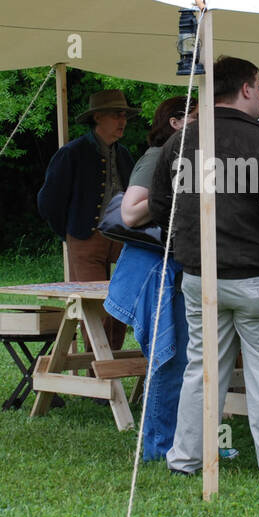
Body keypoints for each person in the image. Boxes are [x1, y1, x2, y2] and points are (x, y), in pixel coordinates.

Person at [149, 56, 259, 485]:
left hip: (199, 277)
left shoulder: (181, 142)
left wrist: (183, 252)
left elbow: (160, 207)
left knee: (201, 371)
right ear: (245, 88)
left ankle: (185, 458)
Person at [104, 95, 197, 461]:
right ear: (175, 123)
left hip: (177, 266)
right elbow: (129, 214)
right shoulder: (158, 156)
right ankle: (159, 448)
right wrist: (173, 193)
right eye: (197, 116)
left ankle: (184, 443)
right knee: (169, 358)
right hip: (156, 267)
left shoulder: (190, 159)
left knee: (187, 358)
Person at [37, 89, 138, 351]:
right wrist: (72, 234)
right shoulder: (72, 153)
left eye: (124, 115)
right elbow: (49, 201)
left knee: (121, 303)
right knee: (95, 308)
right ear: (97, 117)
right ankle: (98, 374)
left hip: (121, 238)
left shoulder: (125, 155)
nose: (122, 120)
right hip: (85, 237)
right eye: (117, 114)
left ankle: (112, 363)